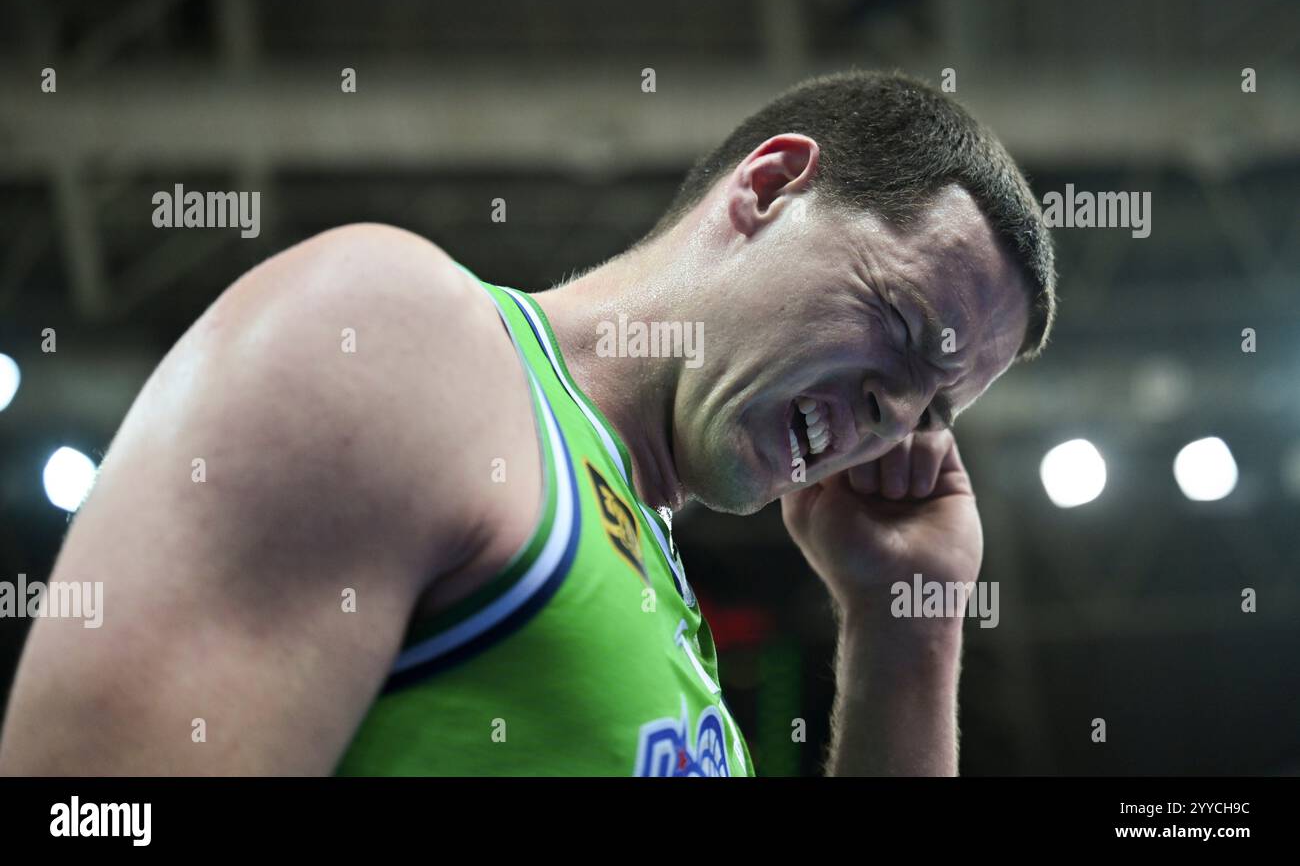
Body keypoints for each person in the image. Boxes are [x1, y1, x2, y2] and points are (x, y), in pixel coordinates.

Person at [0, 70, 1055, 776]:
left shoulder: (662, 597)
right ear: (770, 187)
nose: (895, 415)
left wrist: (905, 628)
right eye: (905, 326)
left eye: (935, 404)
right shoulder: (402, 332)